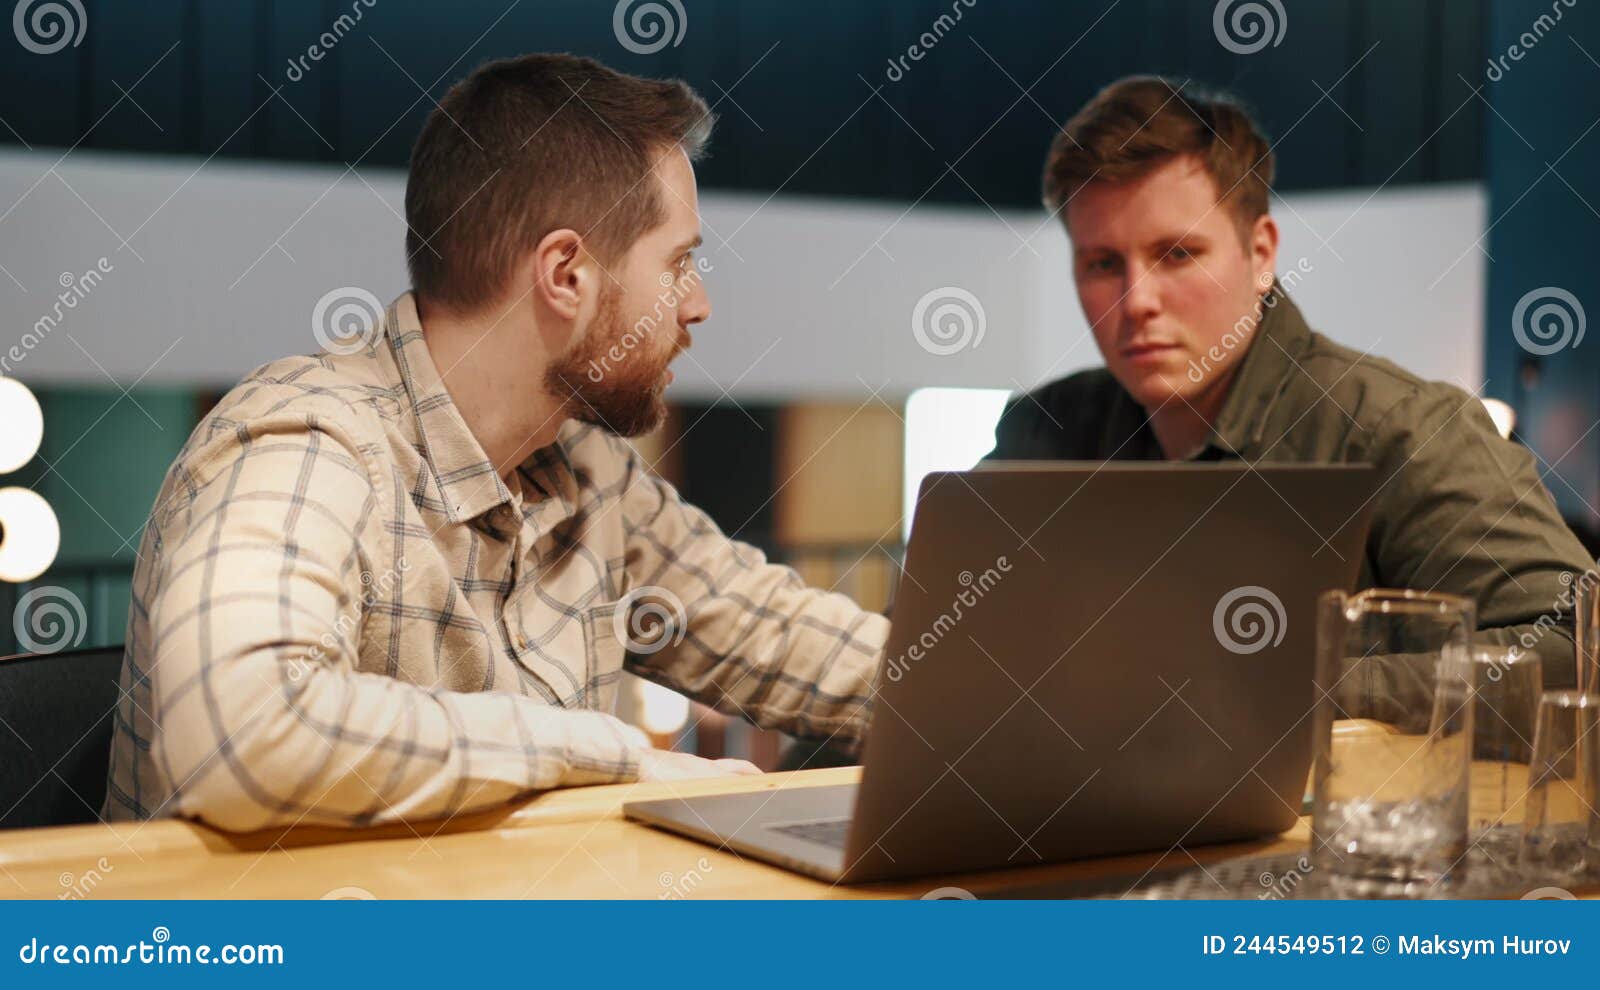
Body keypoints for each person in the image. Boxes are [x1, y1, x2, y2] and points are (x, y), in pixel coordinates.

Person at [103, 54, 885, 832]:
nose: (699, 304)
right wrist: (603, 753)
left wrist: (995, 689)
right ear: (566, 274)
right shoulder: (307, 443)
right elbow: (240, 741)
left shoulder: (587, 469)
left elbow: (777, 632)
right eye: (679, 264)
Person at [988, 76, 1594, 687]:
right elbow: (938, 642)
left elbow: (1576, 648)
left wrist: (1293, 695)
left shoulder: (1401, 431)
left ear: (1262, 253)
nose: (1136, 300)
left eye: (1177, 254)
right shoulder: (1044, 432)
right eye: (1102, 264)